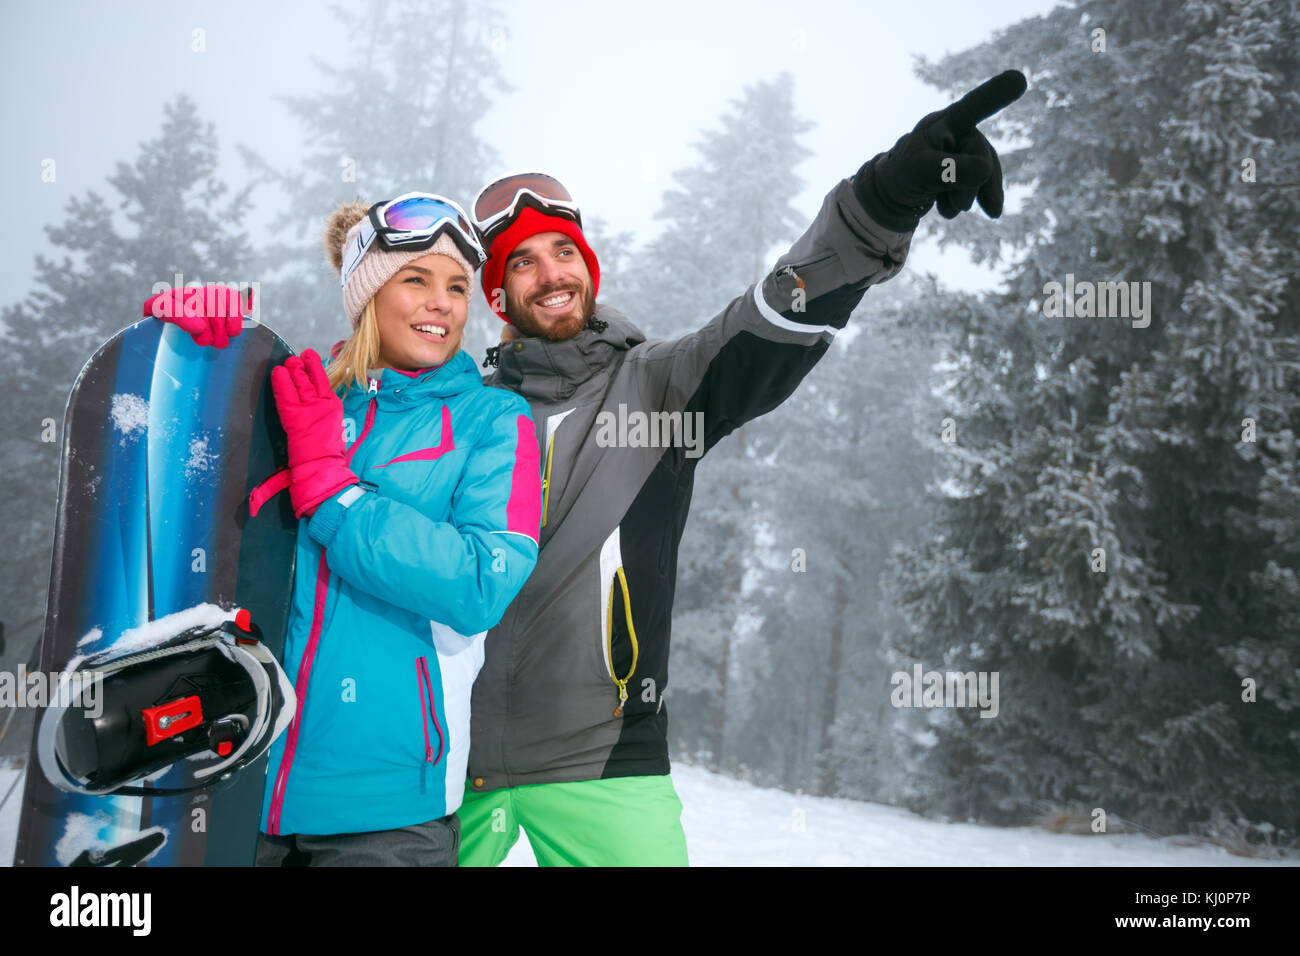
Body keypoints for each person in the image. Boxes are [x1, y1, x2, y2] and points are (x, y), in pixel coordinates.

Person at [455, 71, 1027, 866]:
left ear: (590, 265)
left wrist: (886, 200)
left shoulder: (658, 386)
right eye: (523, 262)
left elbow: (778, 310)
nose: (552, 273)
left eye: (564, 251)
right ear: (497, 293)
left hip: (606, 765)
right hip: (447, 773)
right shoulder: (463, 413)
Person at [146, 192, 542, 866]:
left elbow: (480, 582)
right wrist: (199, 355)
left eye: (455, 286)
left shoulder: (493, 422)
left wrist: (338, 493)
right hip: (245, 780)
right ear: (366, 295)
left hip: (388, 814)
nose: (442, 302)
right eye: (415, 279)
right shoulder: (299, 402)